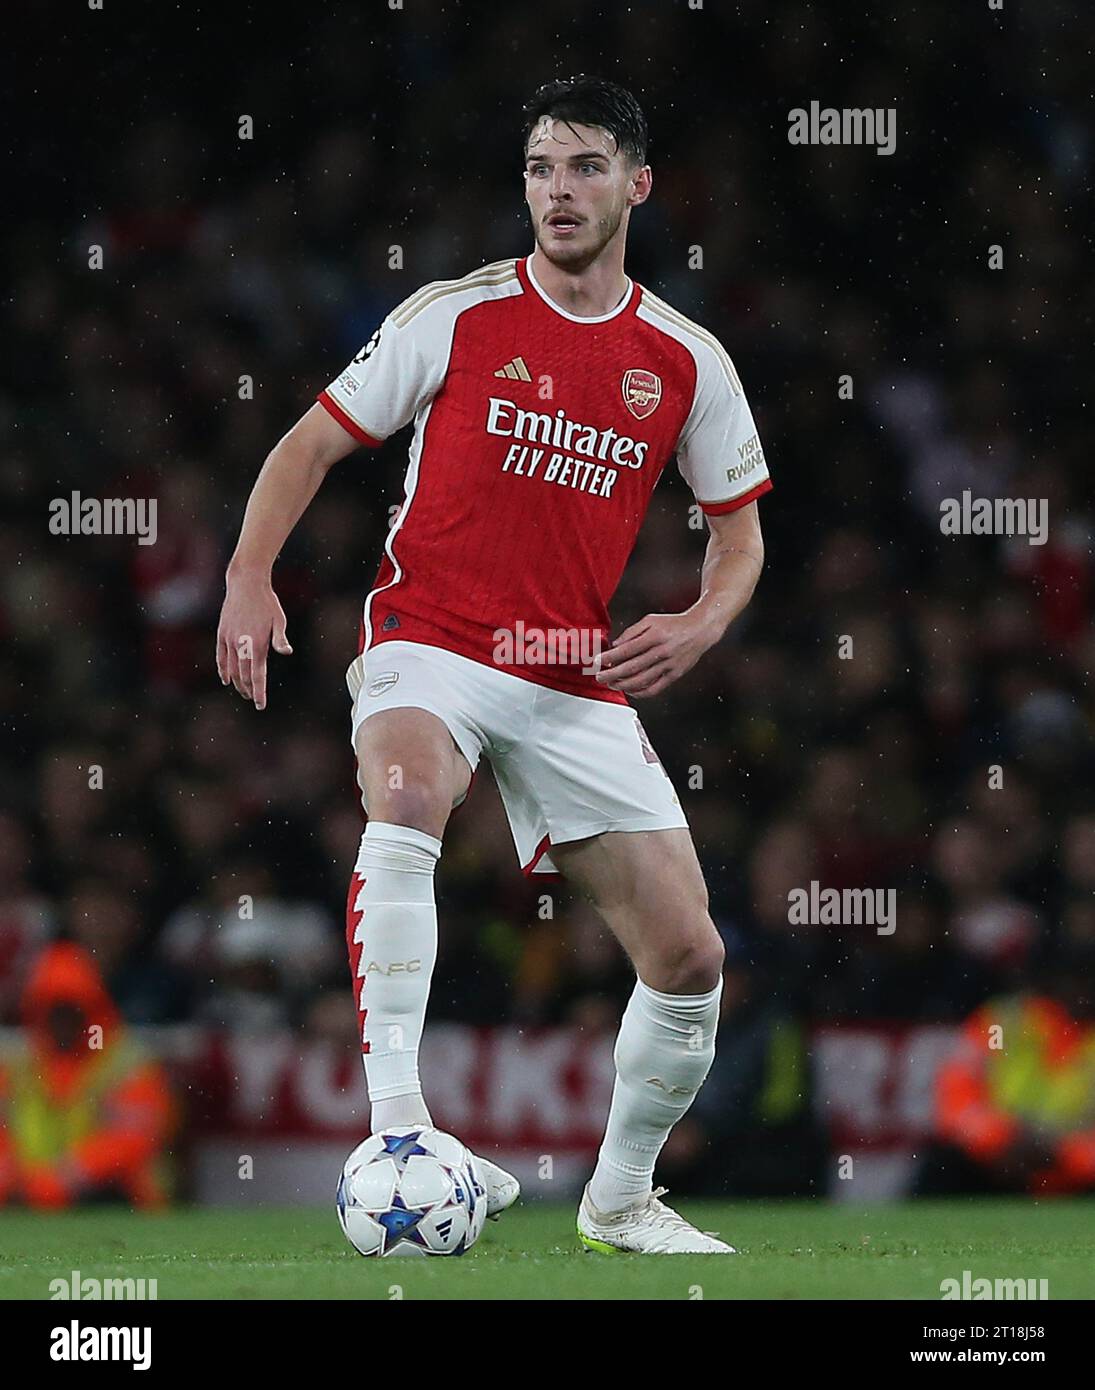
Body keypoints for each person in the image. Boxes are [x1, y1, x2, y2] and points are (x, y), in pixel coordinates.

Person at [217, 75, 771, 1253]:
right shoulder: (452, 315)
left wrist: (704, 621)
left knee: (690, 957)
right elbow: (313, 438)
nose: (557, 192)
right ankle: (405, 1133)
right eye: (538, 168)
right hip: (433, 637)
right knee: (407, 797)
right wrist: (247, 576)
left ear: (638, 184)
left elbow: (741, 530)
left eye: (582, 168)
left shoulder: (684, 360)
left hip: (569, 670)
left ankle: (619, 1200)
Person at [0, 941, 174, 1209]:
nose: (63, 1021)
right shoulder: (21, 1065)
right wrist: (14, 1177)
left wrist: (62, 1179)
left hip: (120, 1203)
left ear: (90, 1008)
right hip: (36, 1203)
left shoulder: (122, 1061)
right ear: (38, 1012)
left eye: (72, 1009)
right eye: (54, 1010)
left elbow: (135, 1140)